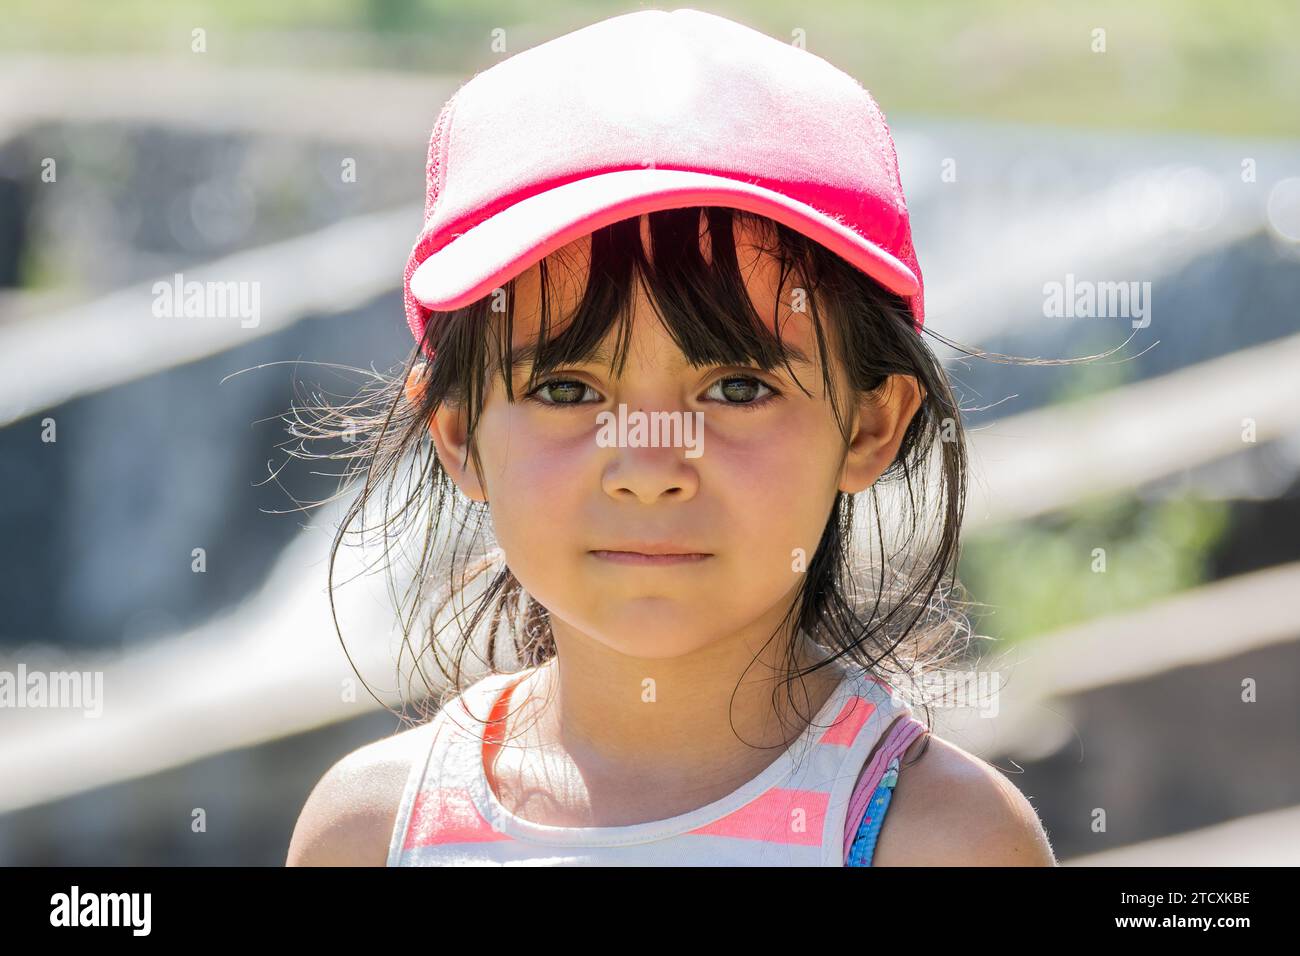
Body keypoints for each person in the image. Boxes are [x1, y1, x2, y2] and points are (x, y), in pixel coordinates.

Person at [286, 8, 1056, 866]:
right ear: (457, 433)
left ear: (871, 423)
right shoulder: (371, 833)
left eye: (736, 388)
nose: (650, 469)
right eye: (568, 388)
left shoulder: (937, 840)